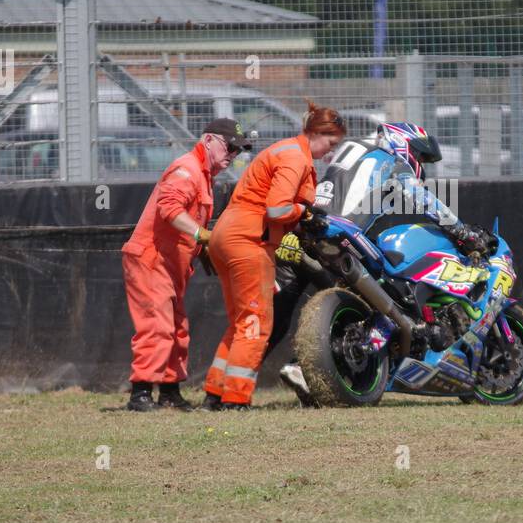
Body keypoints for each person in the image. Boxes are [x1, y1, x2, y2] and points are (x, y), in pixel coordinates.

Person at [268, 120, 498, 405]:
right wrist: (463, 231)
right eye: (420, 156)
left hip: (314, 229)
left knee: (357, 300)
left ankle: (310, 369)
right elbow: (421, 199)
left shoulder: (352, 152)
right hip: (343, 230)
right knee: (396, 289)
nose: (420, 163)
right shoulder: (389, 159)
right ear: (402, 142)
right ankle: (416, 334)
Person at [202, 101, 347, 410]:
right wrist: (306, 215)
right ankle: (235, 400)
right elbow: (278, 208)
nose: (330, 152)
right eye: (331, 143)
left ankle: (215, 395)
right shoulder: (295, 158)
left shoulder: (285, 151)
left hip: (225, 235)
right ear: (316, 133)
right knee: (256, 322)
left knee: (241, 323)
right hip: (249, 240)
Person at [121, 119, 251, 411]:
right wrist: (201, 235)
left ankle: (169, 391)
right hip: (152, 259)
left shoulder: (204, 175)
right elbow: (169, 209)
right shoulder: (187, 170)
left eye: (237, 150)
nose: (232, 154)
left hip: (172, 264)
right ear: (208, 141)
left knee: (177, 328)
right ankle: (140, 394)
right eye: (229, 146)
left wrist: (201, 247)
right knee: (157, 326)